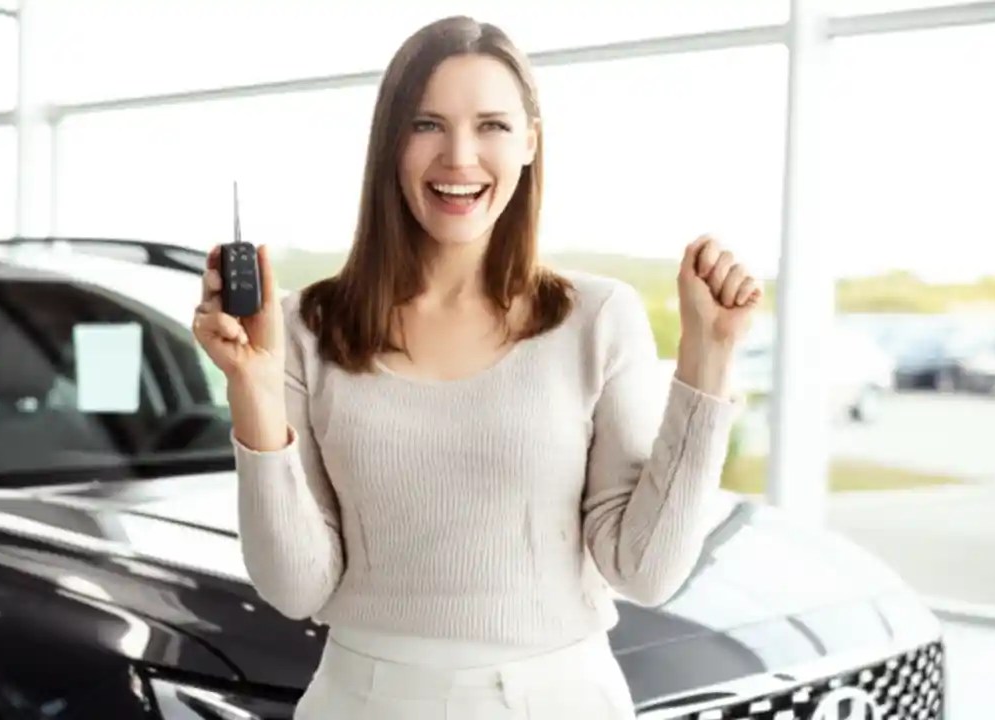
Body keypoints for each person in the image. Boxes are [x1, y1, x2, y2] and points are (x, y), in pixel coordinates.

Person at [192, 15, 762, 720]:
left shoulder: (598, 317)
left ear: (529, 141)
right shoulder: (307, 327)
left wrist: (709, 357)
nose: (459, 157)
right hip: (364, 699)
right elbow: (297, 588)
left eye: (491, 125)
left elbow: (644, 570)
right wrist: (253, 390)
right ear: (390, 145)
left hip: (559, 698)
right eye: (427, 124)